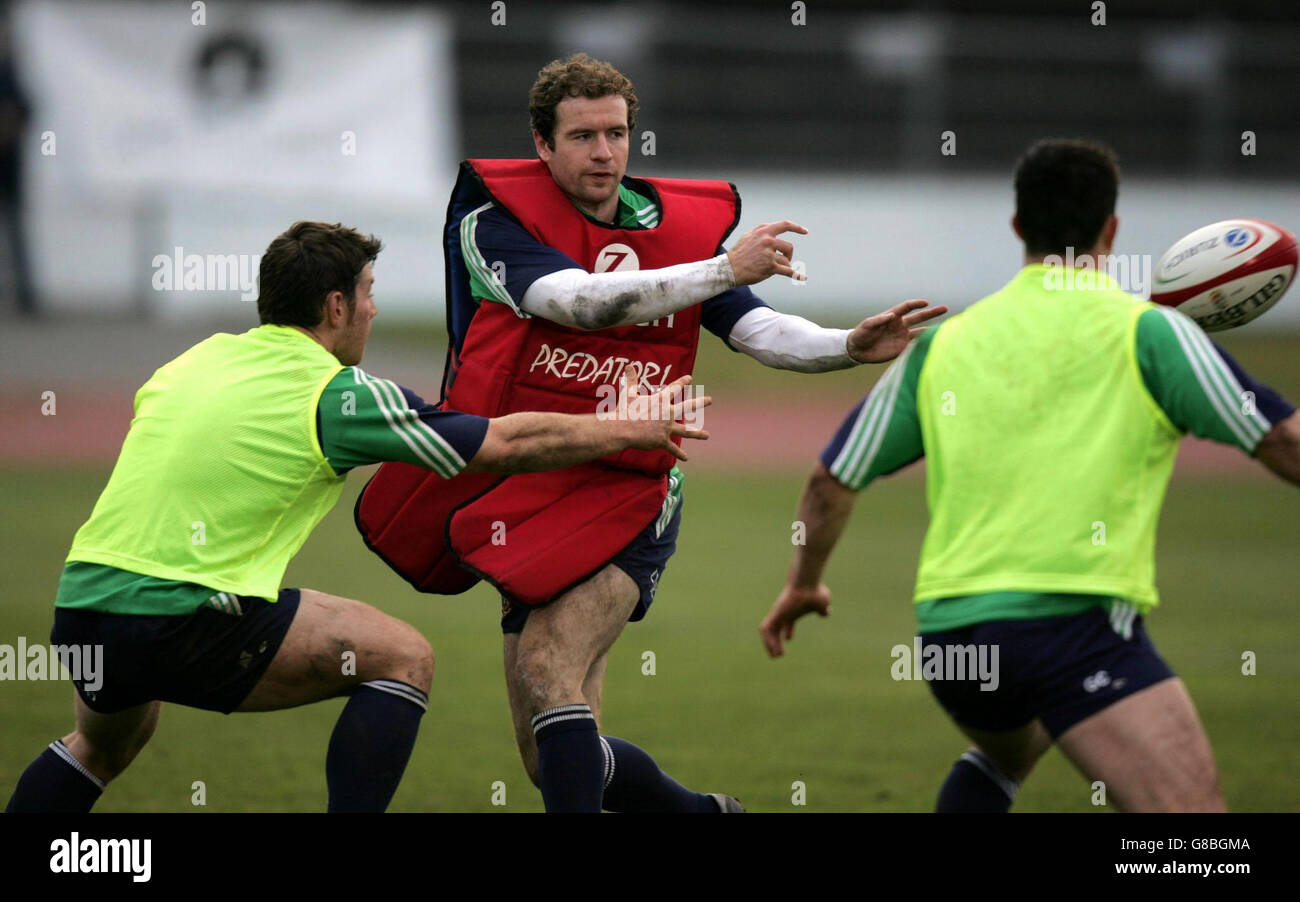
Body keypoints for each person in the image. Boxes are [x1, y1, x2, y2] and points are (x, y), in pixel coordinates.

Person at [357, 53, 945, 813]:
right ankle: (706, 814)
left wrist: (845, 347)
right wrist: (723, 269)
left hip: (632, 488)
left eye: (617, 133)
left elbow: (757, 328)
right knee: (548, 754)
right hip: (531, 485)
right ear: (542, 146)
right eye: (582, 137)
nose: (604, 153)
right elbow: (581, 303)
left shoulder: (674, 235)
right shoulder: (494, 226)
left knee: (547, 661)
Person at [4, 220, 709, 813]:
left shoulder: (197, 360)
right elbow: (503, 443)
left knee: (101, 745)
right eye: (368, 294)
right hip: (186, 613)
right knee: (403, 659)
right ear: (336, 307)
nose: (374, 310)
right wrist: (627, 425)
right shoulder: (338, 395)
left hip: (84, 603)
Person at [759, 138, 1300, 812]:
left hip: (953, 639)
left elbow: (827, 484)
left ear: (1017, 227)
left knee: (1010, 752)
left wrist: (802, 586)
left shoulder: (945, 345)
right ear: (1112, 229)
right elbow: (1283, 442)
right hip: (1072, 622)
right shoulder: (1151, 334)